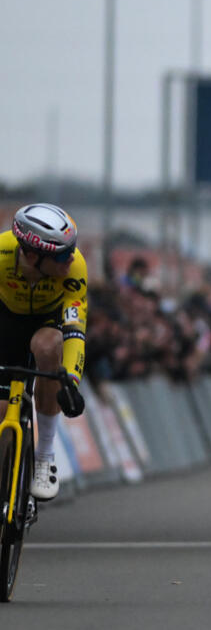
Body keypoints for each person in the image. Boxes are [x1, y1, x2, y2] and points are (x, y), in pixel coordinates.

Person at [0, 204, 88, 501]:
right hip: (6, 321)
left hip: (46, 322)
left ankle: (45, 455)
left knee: (49, 347)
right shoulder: (0, 254)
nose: (71, 258)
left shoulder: (75, 269)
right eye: (62, 254)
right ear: (32, 254)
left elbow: (75, 329)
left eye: (72, 249)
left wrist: (71, 383)